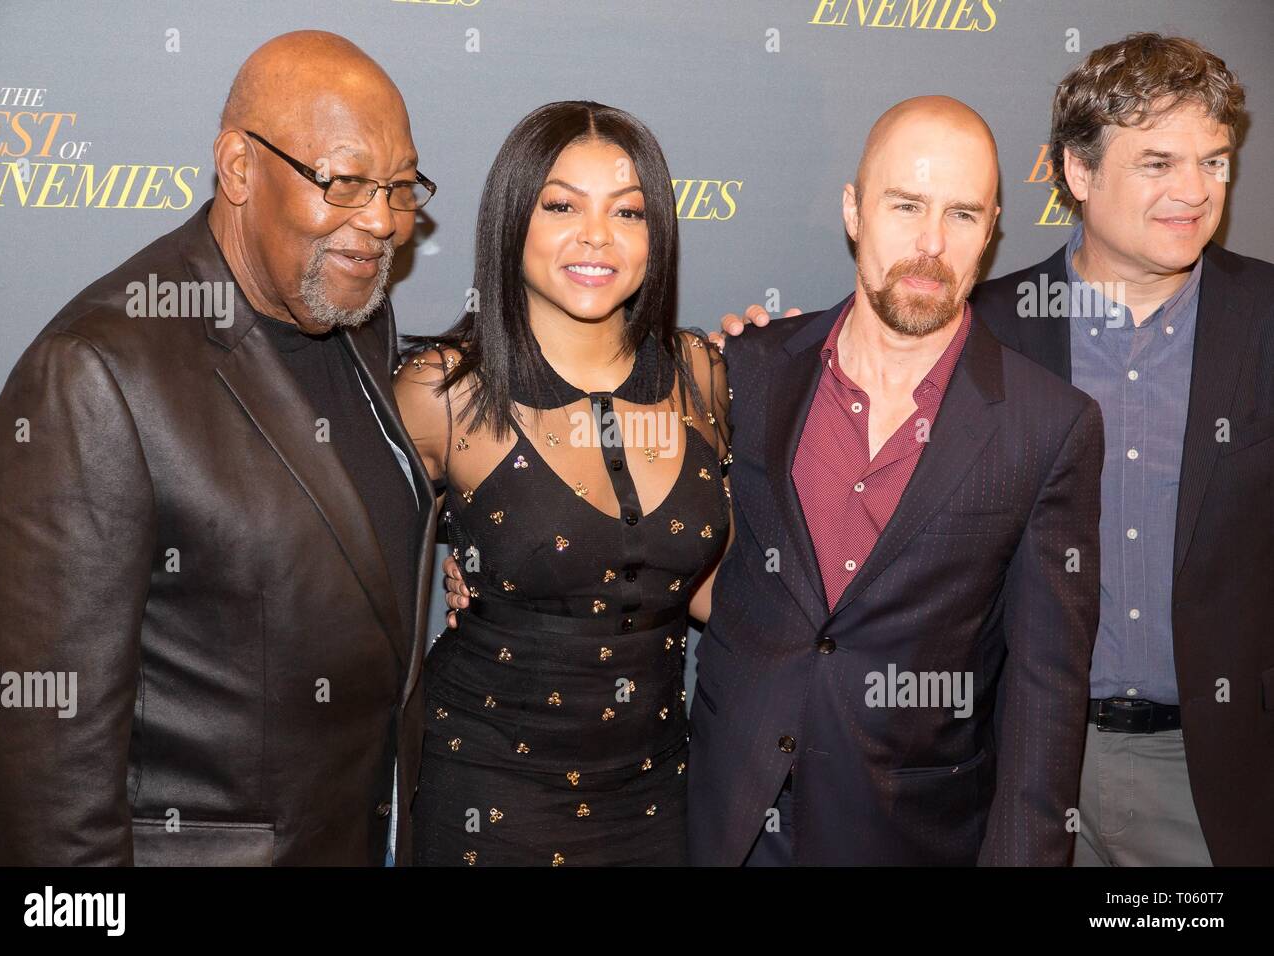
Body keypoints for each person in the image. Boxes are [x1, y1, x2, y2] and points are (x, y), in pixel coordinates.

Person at [725, 35, 1273, 866]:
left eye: (1213, 161)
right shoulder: (980, 325)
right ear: (1077, 176)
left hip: (1212, 776)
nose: (1194, 192)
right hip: (992, 767)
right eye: (1159, 162)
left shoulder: (1266, 318)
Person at [0, 31, 436, 865]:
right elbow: (44, 777)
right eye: (343, 182)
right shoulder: (93, 376)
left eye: (401, 187)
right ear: (238, 167)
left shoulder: (349, 315)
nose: (381, 222)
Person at [695, 96, 1103, 865]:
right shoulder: (745, 369)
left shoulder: (1049, 427)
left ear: (991, 231)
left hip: (911, 833)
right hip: (727, 818)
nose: (930, 243)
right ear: (854, 211)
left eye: (962, 214)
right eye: (906, 205)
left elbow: (1045, 697)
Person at [396, 101, 731, 866]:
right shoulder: (443, 393)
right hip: (489, 796)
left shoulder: (699, 372)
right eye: (561, 205)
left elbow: (713, 589)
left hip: (657, 797)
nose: (597, 236)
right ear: (513, 219)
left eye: (629, 212)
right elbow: (362, 604)